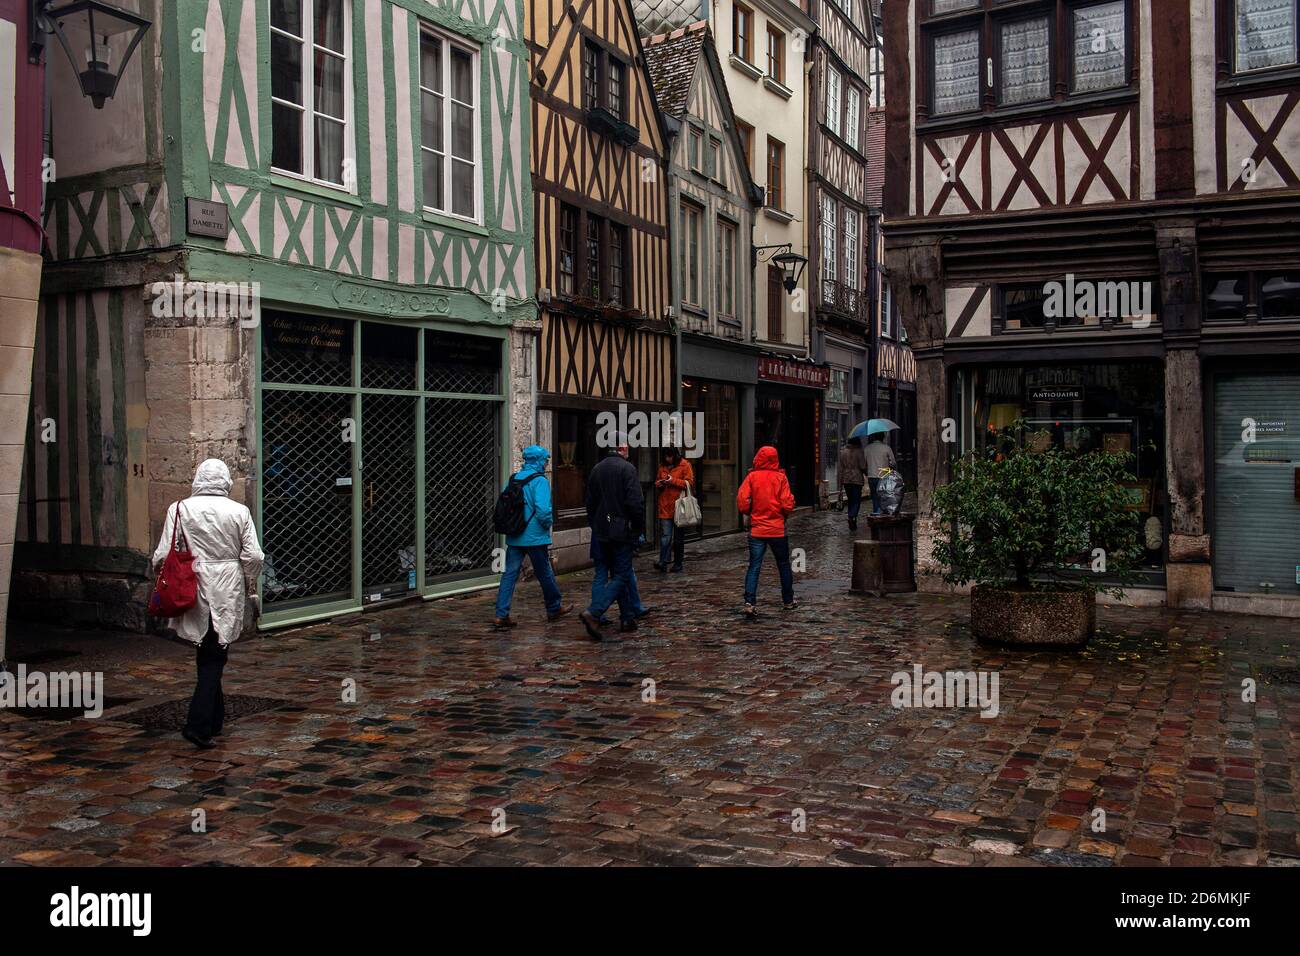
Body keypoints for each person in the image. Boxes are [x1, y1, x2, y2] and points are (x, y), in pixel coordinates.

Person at [151, 459, 263, 750]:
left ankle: (214, 718)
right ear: (225, 480)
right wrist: (249, 582)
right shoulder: (239, 511)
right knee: (214, 653)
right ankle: (198, 726)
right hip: (226, 584)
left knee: (208, 649)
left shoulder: (179, 508)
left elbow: (162, 555)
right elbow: (254, 556)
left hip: (193, 583)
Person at [493, 445, 571, 628]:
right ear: (539, 460)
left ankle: (501, 614)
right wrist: (546, 525)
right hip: (535, 536)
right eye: (545, 460)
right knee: (544, 572)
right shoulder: (540, 481)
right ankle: (554, 607)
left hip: (515, 534)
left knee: (509, 574)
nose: (546, 463)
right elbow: (543, 511)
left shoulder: (514, 478)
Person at [579, 436, 645, 640]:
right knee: (623, 574)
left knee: (611, 572)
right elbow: (635, 503)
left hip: (601, 530)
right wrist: (637, 530)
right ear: (623, 447)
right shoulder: (627, 469)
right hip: (620, 529)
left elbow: (589, 502)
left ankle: (627, 618)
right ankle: (595, 612)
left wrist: (596, 524)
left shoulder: (597, 469)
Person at [736, 445, 797, 617]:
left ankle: (749, 602)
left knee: (754, 565)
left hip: (757, 530)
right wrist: (785, 511)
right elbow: (787, 503)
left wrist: (750, 511)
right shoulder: (780, 478)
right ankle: (788, 601)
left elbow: (742, 500)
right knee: (784, 565)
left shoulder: (752, 477)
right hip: (777, 529)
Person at [654, 447, 694, 572]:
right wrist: (659, 483)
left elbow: (689, 483)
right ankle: (663, 562)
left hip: (679, 506)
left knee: (678, 538)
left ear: (675, 456)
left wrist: (673, 481)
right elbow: (657, 481)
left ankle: (678, 563)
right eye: (666, 457)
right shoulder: (662, 466)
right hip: (665, 505)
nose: (668, 459)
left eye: (670, 456)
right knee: (665, 536)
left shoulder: (685, 465)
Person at [837, 437, 868, 531]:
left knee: (850, 499)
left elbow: (840, 468)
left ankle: (851, 515)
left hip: (846, 479)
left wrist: (840, 483)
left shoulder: (843, 452)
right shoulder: (859, 452)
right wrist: (866, 472)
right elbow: (862, 466)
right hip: (856, 479)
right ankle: (852, 516)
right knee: (856, 499)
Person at [864, 433, 898, 515]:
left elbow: (863, 463)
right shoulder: (886, 448)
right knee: (884, 497)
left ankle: (876, 512)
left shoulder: (867, 448)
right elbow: (893, 463)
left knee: (875, 497)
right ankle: (882, 513)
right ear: (883, 438)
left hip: (871, 476)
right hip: (884, 476)